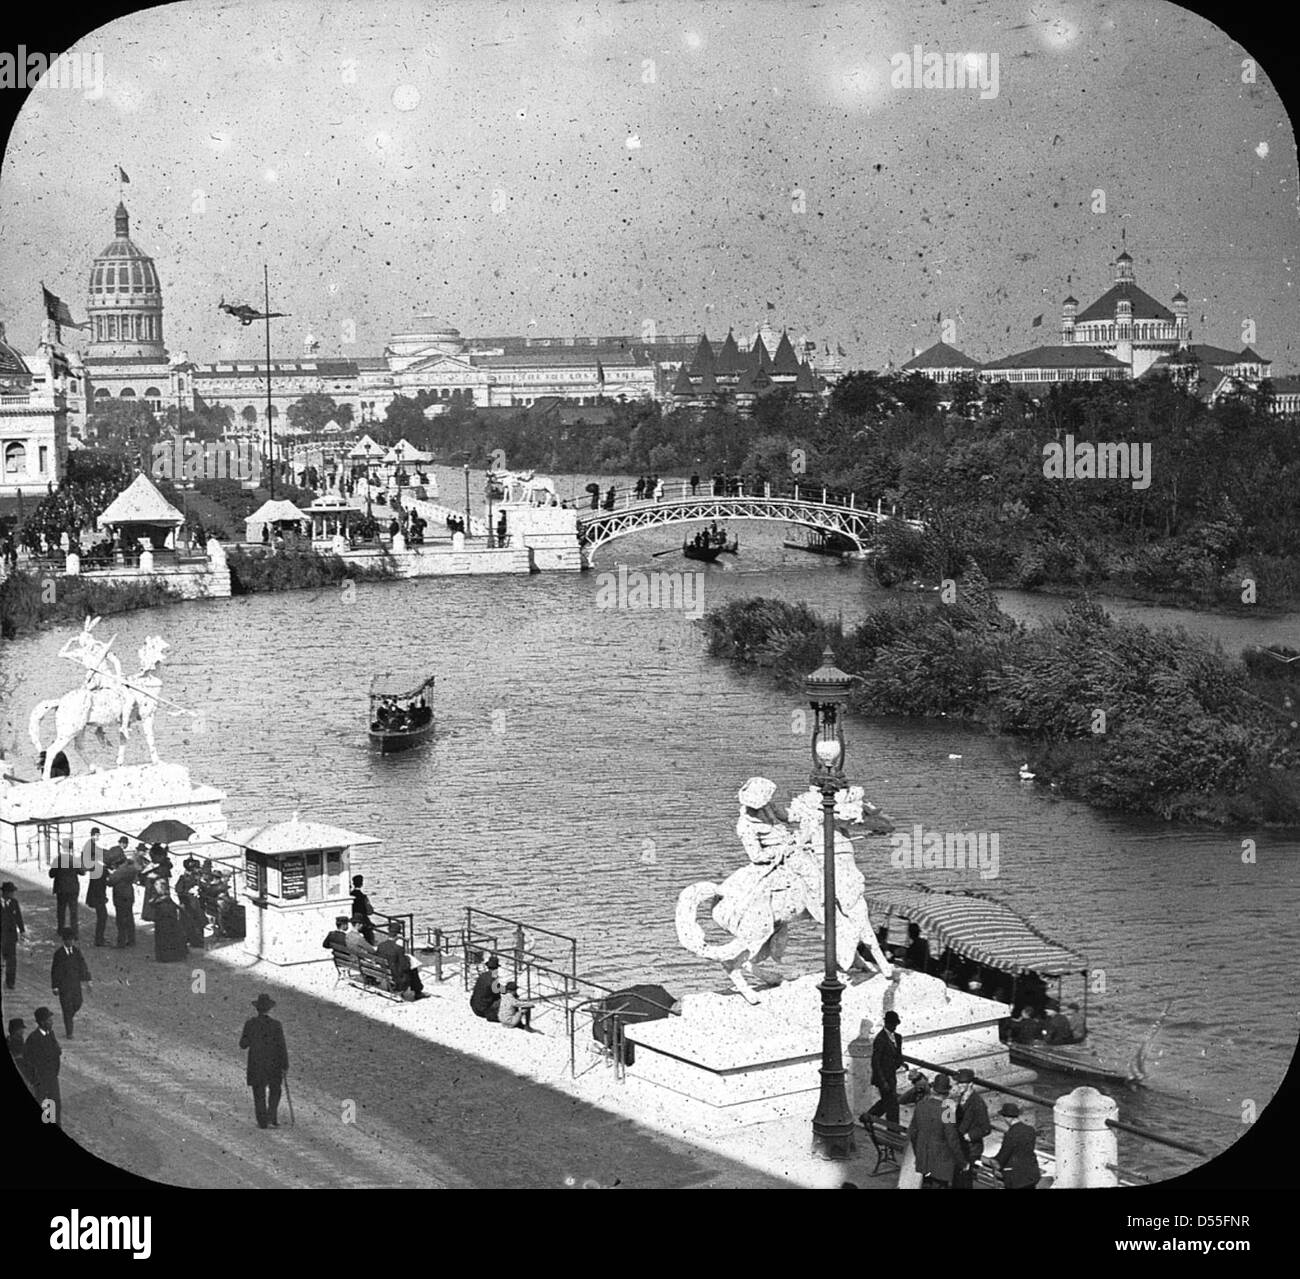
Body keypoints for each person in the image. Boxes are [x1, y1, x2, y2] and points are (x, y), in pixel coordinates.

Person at [239, 993, 289, 1129]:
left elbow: (243, 1044)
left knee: (259, 1092)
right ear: (269, 1009)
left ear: (257, 1009)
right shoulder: (276, 1025)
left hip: (256, 1064)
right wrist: (285, 1065)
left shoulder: (250, 1024)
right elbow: (281, 1047)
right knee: (275, 1091)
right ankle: (271, 1116)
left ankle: (262, 1121)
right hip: (274, 1064)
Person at [907, 1072, 965, 1189]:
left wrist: (918, 1151)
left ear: (933, 1089)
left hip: (924, 1157)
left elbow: (912, 1132)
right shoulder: (947, 1111)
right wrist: (962, 1162)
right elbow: (952, 1139)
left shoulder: (921, 1105)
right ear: (947, 1092)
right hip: (941, 1162)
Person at [953, 1068, 992, 1189]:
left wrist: (969, 1136)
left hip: (971, 1149)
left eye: (961, 1083)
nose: (959, 1085)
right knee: (959, 1178)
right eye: (958, 1083)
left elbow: (986, 1128)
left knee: (964, 1180)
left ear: (970, 1084)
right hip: (961, 1146)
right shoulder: (961, 1098)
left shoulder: (977, 1103)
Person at [50, 928, 91, 1039]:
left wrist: (88, 979)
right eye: (68, 940)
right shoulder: (59, 954)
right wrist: (55, 986)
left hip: (75, 985)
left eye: (72, 940)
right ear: (64, 941)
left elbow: (82, 965)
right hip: (64, 987)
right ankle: (69, 1032)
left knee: (78, 1003)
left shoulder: (76, 952)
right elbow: (54, 971)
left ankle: (68, 1017)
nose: (71, 942)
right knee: (67, 1007)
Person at [865, 1010, 905, 1124]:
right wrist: (883, 1082)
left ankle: (868, 1117)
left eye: (895, 1024)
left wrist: (900, 1063)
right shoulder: (880, 1039)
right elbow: (876, 1062)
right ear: (886, 1023)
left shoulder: (897, 1037)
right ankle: (893, 1129)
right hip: (883, 1078)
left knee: (887, 1101)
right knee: (892, 1104)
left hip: (891, 1076)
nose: (894, 1027)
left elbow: (898, 1055)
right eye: (892, 1024)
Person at [25, 1008, 62, 1125]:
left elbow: (56, 1052)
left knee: (56, 1105)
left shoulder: (50, 1034)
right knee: (46, 1109)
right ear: (41, 1022)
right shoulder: (33, 1039)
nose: (52, 1022)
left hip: (52, 1077)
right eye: (49, 1020)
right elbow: (28, 1061)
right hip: (41, 1080)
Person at [991, 1103, 1040, 1188]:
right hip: (1032, 1174)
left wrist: (992, 1161)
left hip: (1016, 1178)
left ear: (1006, 1118)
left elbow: (1003, 1156)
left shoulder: (1010, 1134)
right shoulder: (1030, 1130)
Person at [376, 922, 426, 999]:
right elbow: (404, 966)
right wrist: (409, 961)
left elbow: (378, 959)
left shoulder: (380, 946)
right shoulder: (398, 949)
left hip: (386, 971)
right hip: (397, 976)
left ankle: (417, 991)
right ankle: (418, 992)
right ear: (397, 935)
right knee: (413, 969)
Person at [49, 837, 84, 935]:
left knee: (61, 911)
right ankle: (74, 932)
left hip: (61, 889)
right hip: (73, 889)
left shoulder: (58, 859)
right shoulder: (74, 859)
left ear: (62, 847)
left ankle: (61, 930)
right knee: (73, 911)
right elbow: (82, 872)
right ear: (71, 848)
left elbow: (51, 874)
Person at [107, 844, 137, 947]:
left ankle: (121, 942)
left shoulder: (120, 871)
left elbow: (110, 882)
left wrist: (110, 874)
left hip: (120, 896)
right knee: (129, 918)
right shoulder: (130, 867)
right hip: (129, 894)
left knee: (120, 920)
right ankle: (131, 939)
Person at [82, 828, 108, 947]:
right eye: (97, 835)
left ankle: (100, 938)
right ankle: (99, 939)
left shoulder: (91, 845)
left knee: (101, 916)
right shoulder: (90, 845)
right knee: (102, 916)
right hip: (98, 895)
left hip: (96, 893)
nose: (98, 837)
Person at [1, 881, 24, 988]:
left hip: (10, 937)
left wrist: (22, 930)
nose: (13, 894)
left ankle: (10, 982)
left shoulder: (14, 903)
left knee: (12, 961)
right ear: (5, 893)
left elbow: (18, 917)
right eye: (11, 892)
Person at [470, 954, 502, 1021]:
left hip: (475, 1007)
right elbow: (500, 991)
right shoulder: (493, 980)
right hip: (484, 1010)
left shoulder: (482, 976)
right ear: (496, 968)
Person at [350, 876, 376, 944]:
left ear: (353, 884)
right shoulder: (363, 897)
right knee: (369, 932)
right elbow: (370, 911)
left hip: (353, 918)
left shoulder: (350, 895)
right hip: (362, 920)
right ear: (361, 884)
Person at [7, 1016, 32, 1086]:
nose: (23, 1031)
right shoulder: (11, 1041)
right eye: (21, 1029)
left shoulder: (20, 1039)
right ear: (15, 1030)